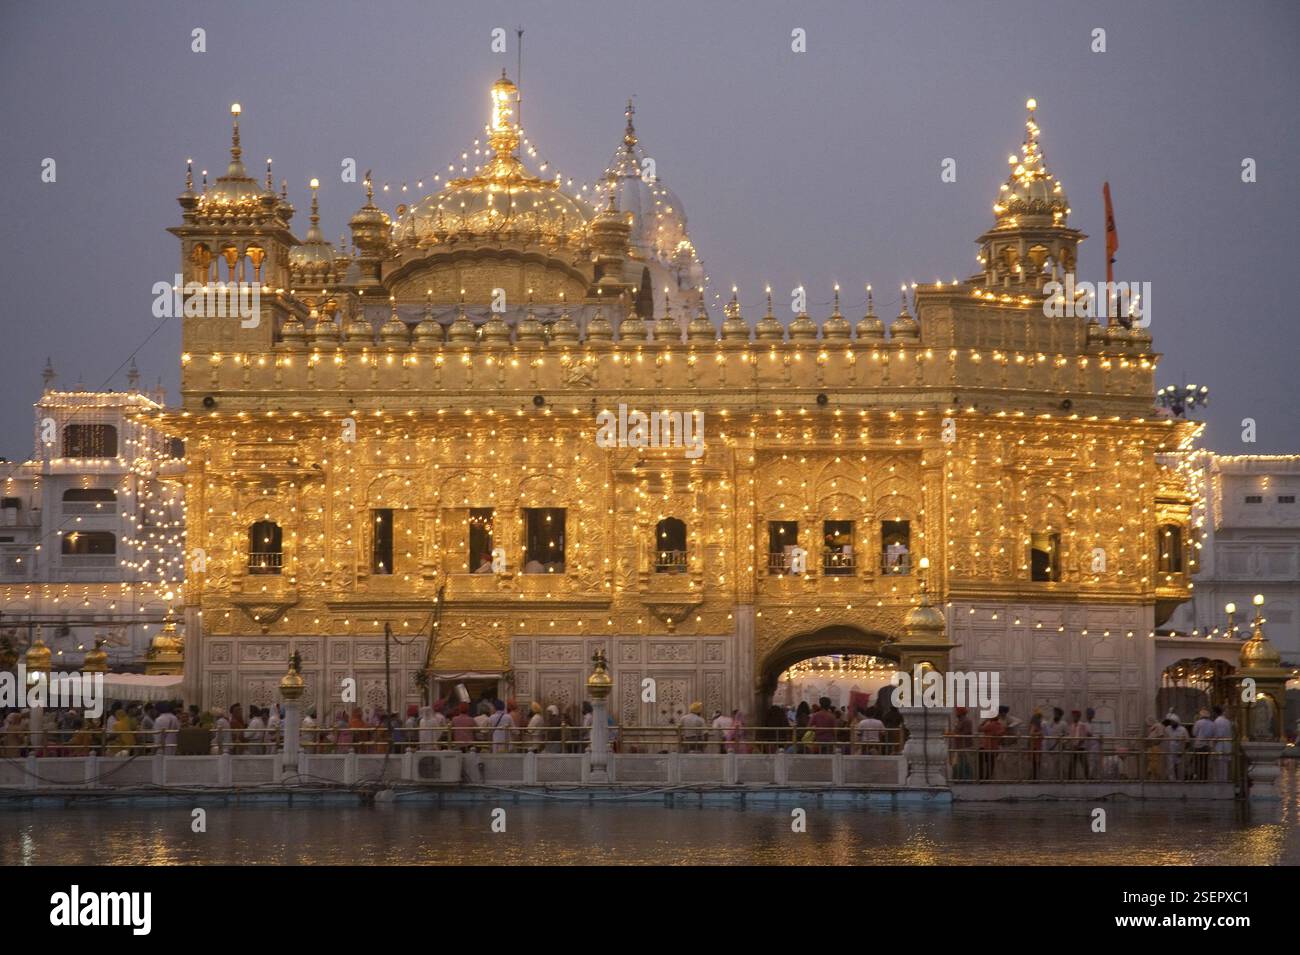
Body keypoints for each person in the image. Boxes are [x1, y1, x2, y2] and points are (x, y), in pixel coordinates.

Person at [977, 709, 1006, 780]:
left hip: (986, 748)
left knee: (981, 763)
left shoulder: (990, 725)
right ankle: (988, 779)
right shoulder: (1000, 726)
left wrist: (985, 721)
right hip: (994, 749)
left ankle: (981, 778)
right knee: (991, 765)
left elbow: (979, 729)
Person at [1211, 705, 1234, 783]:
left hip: (1220, 745)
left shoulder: (1217, 721)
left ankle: (1221, 782)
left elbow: (1219, 734)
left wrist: (1213, 742)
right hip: (1227, 745)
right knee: (1225, 765)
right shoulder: (1227, 721)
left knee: (1220, 765)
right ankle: (1224, 780)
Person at [1191, 708, 1215, 781]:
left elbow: (1194, 733)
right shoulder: (1212, 723)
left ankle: (1198, 777)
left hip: (1198, 745)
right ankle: (1204, 778)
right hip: (1207, 745)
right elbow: (1213, 734)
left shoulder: (1198, 723)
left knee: (1198, 762)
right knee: (1205, 762)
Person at [1163, 713, 1189, 781]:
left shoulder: (1183, 729)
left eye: (1173, 722)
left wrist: (1182, 751)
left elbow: (1187, 742)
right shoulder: (1167, 729)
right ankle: (1172, 780)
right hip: (1170, 751)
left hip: (1180, 751)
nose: (1171, 723)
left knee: (1180, 766)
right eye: (1171, 722)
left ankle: (1181, 780)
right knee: (1171, 766)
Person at [1067, 709, 1091, 780]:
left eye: (1076, 716)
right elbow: (1070, 736)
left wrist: (1077, 745)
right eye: (1073, 716)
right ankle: (1070, 779)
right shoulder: (1071, 726)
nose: (1074, 717)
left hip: (1081, 747)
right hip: (1073, 747)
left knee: (1084, 763)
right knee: (1071, 764)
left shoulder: (1082, 725)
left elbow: (1083, 737)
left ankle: (1087, 778)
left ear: (1078, 717)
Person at [1027, 709, 1044, 780]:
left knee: (1037, 762)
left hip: (1037, 745)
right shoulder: (1034, 724)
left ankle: (1035, 777)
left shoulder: (1038, 725)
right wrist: (1039, 733)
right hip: (1034, 746)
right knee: (1035, 762)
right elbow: (1031, 733)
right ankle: (1034, 778)